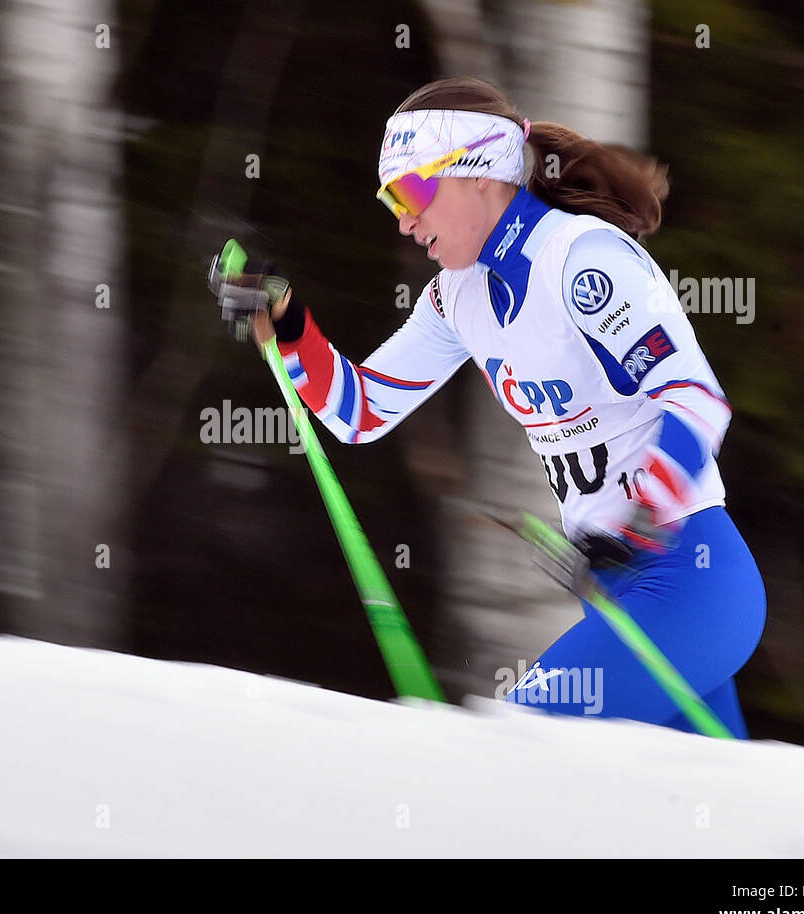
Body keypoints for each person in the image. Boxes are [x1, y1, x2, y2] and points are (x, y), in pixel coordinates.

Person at [221, 77, 766, 737]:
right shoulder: (459, 297)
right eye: (391, 197)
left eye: (414, 190)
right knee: (706, 814)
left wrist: (643, 515)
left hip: (693, 579)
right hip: (624, 600)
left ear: (481, 173)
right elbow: (360, 410)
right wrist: (287, 323)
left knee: (520, 747)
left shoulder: (583, 260)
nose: (403, 218)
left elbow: (696, 397)